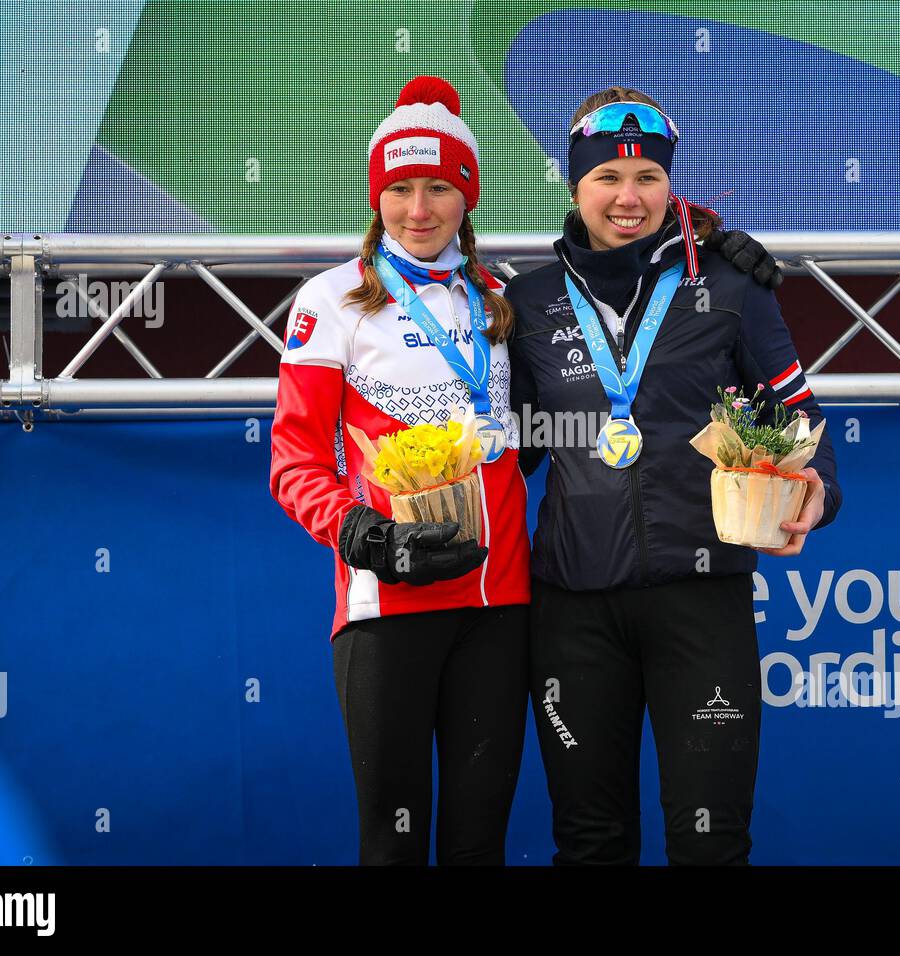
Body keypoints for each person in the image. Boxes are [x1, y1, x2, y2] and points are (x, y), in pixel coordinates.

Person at [504, 86, 843, 865]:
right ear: (574, 184)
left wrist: (817, 489)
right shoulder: (527, 300)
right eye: (607, 179)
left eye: (648, 177)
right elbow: (510, 447)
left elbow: (796, 412)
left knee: (710, 843)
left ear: (670, 183)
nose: (629, 197)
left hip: (702, 603)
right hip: (574, 610)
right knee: (591, 843)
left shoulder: (728, 287)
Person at [269, 76, 530, 865]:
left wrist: (699, 238)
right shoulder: (333, 300)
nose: (419, 210)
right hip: (389, 604)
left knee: (478, 843)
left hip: (500, 602)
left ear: (468, 194)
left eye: (440, 187)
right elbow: (294, 463)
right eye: (401, 188)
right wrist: (366, 535)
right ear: (377, 196)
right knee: (394, 843)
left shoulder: (502, 300)